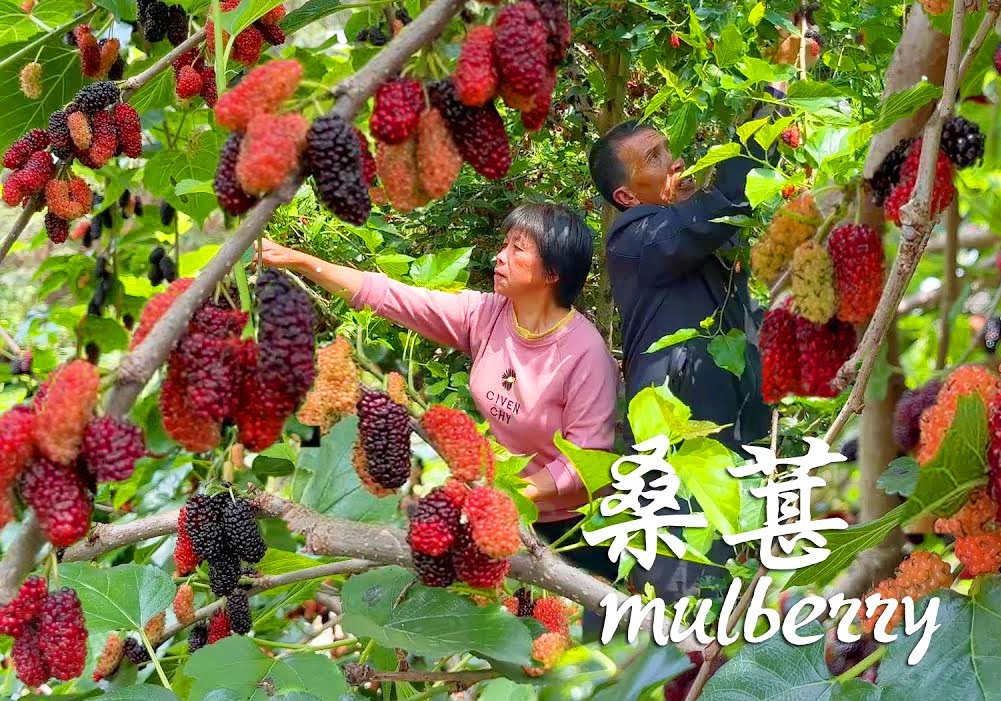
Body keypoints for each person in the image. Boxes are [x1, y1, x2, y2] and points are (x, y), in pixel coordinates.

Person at [257, 203, 618, 527]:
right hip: (496, 504)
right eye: (504, 244)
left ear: (553, 273)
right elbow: (390, 296)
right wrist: (298, 260)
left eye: (517, 249)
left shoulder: (585, 354)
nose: (500, 256)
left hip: (567, 524)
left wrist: (507, 494)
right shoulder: (487, 315)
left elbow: (587, 462)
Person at [588, 89, 792, 453]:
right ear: (627, 198)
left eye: (669, 148)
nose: (677, 161)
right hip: (673, 438)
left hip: (739, 428)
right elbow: (725, 201)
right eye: (655, 158)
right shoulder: (633, 238)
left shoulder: (702, 239)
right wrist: (774, 94)